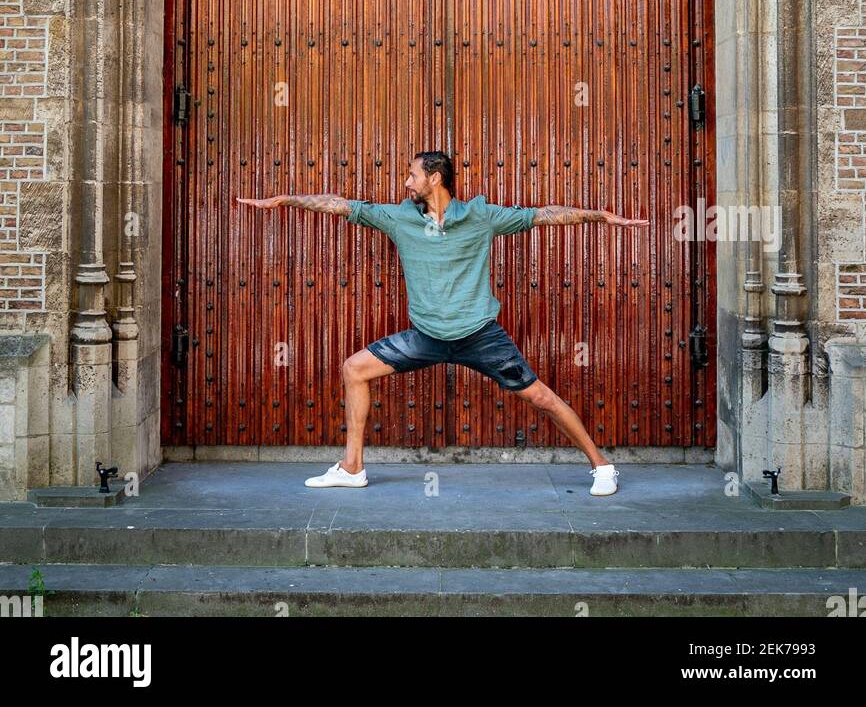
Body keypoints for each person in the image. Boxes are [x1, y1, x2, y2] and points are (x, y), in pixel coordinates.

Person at [237, 151, 648, 496]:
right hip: (427, 337)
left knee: (542, 398)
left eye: (411, 175)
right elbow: (343, 205)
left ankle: (602, 465)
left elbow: (545, 215)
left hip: (481, 337)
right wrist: (287, 199)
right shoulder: (399, 218)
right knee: (354, 368)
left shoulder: (481, 216)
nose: (406, 183)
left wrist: (601, 217)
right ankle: (351, 468)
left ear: (434, 178)